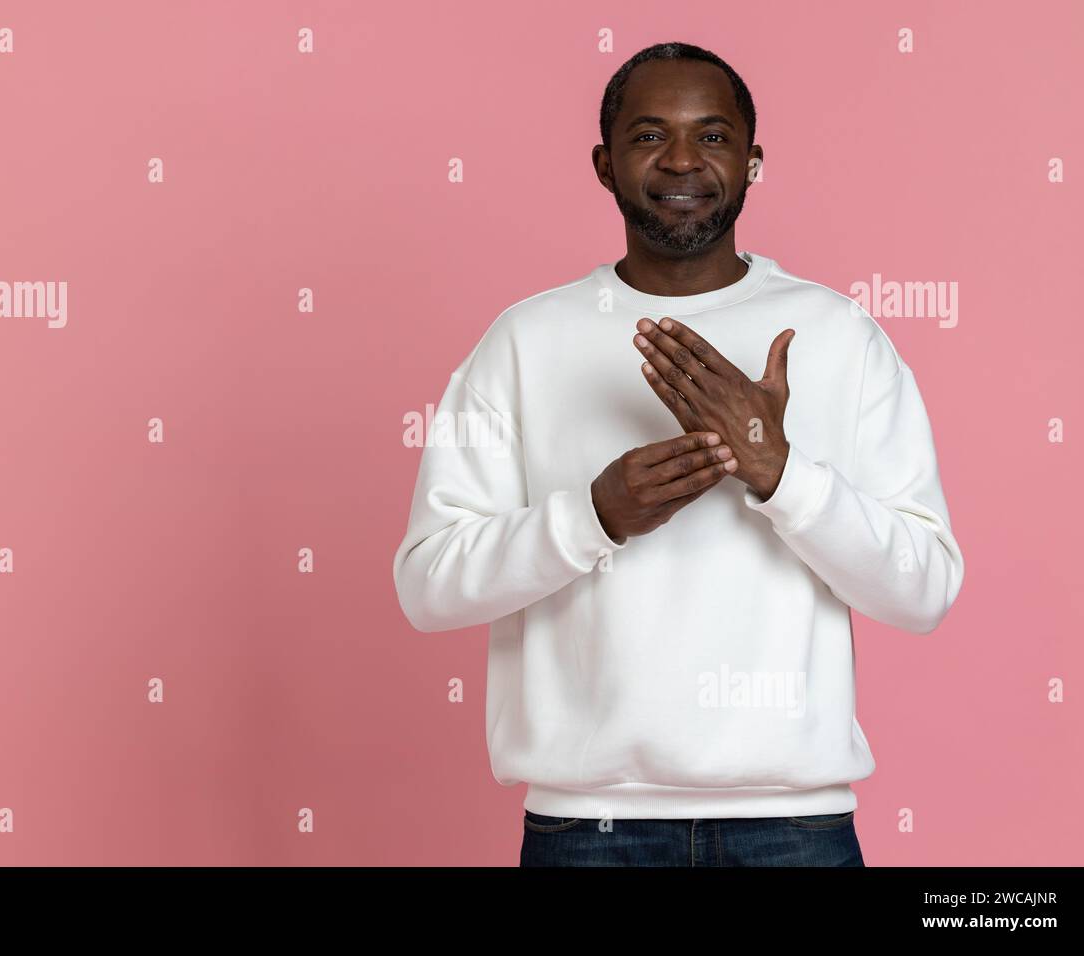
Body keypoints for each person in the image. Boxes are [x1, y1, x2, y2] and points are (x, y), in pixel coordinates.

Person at [391, 42, 964, 867]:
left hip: (795, 831)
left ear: (755, 160)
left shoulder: (843, 336)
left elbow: (925, 591)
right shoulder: (524, 340)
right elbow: (427, 586)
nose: (684, 160)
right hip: (587, 832)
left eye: (715, 136)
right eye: (650, 134)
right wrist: (593, 518)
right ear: (604, 162)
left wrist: (778, 471)